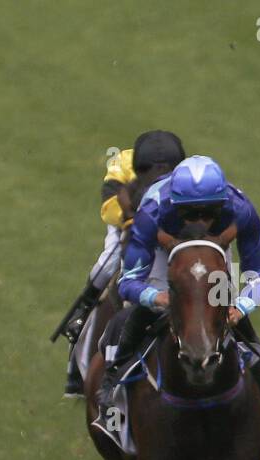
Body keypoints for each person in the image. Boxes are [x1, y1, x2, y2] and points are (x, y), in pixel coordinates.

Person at [99, 154, 260, 405]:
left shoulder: (241, 208)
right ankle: (115, 373)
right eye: (189, 212)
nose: (199, 221)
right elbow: (129, 281)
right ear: (173, 204)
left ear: (222, 204)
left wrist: (240, 307)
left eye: (209, 213)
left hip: (214, 248)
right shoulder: (151, 211)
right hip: (163, 249)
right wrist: (155, 297)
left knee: (220, 302)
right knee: (149, 308)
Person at [60, 131, 185, 396]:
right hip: (125, 226)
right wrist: (135, 221)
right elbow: (109, 207)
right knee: (105, 267)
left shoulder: (185, 174)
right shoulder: (122, 163)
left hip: (165, 228)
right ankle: (81, 320)